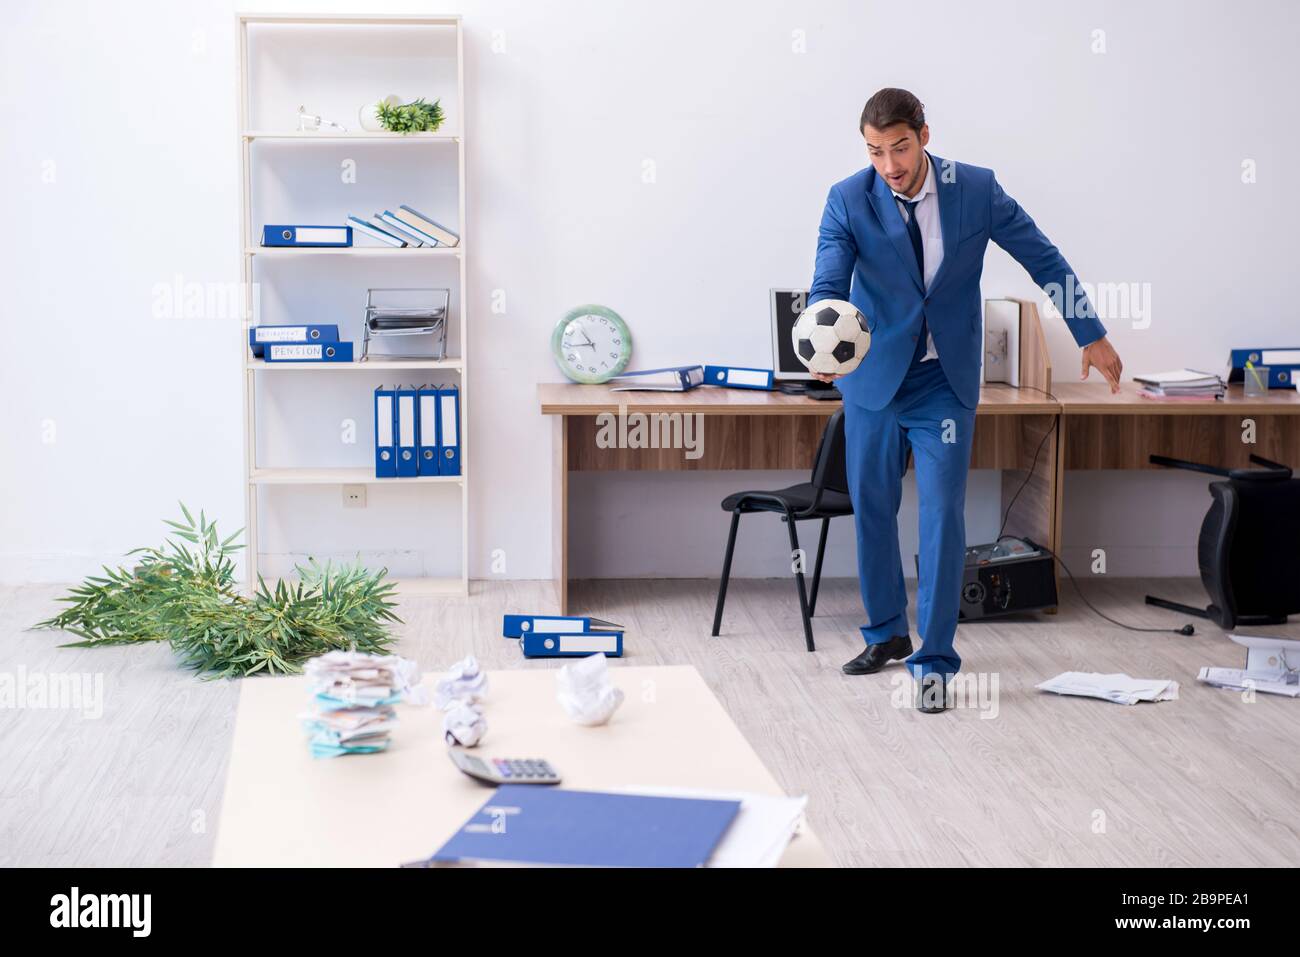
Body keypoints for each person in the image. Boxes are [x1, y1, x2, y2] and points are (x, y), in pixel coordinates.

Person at [808, 88, 1122, 713]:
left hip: (942, 383)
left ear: (924, 135)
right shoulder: (848, 198)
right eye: (875, 152)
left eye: (898, 147)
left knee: (942, 514)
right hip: (872, 382)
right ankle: (887, 634)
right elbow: (827, 280)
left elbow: (1041, 255)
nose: (890, 165)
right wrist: (823, 338)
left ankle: (935, 663)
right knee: (872, 509)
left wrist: (1091, 332)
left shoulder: (975, 189)